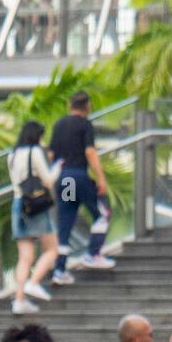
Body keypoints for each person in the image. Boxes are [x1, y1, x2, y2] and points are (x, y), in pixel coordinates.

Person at [49, 91, 113, 285]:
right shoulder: (85, 125)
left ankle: (59, 270)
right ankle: (93, 254)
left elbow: (52, 154)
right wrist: (101, 178)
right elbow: (90, 152)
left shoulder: (59, 124)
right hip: (78, 174)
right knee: (103, 213)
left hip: (64, 177)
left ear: (70, 105)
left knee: (66, 222)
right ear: (87, 106)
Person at [8, 120, 59, 314]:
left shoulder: (11, 155)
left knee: (25, 257)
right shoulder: (35, 152)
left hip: (18, 204)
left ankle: (19, 300)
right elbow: (48, 181)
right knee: (52, 249)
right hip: (35, 205)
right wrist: (58, 167)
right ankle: (34, 281)